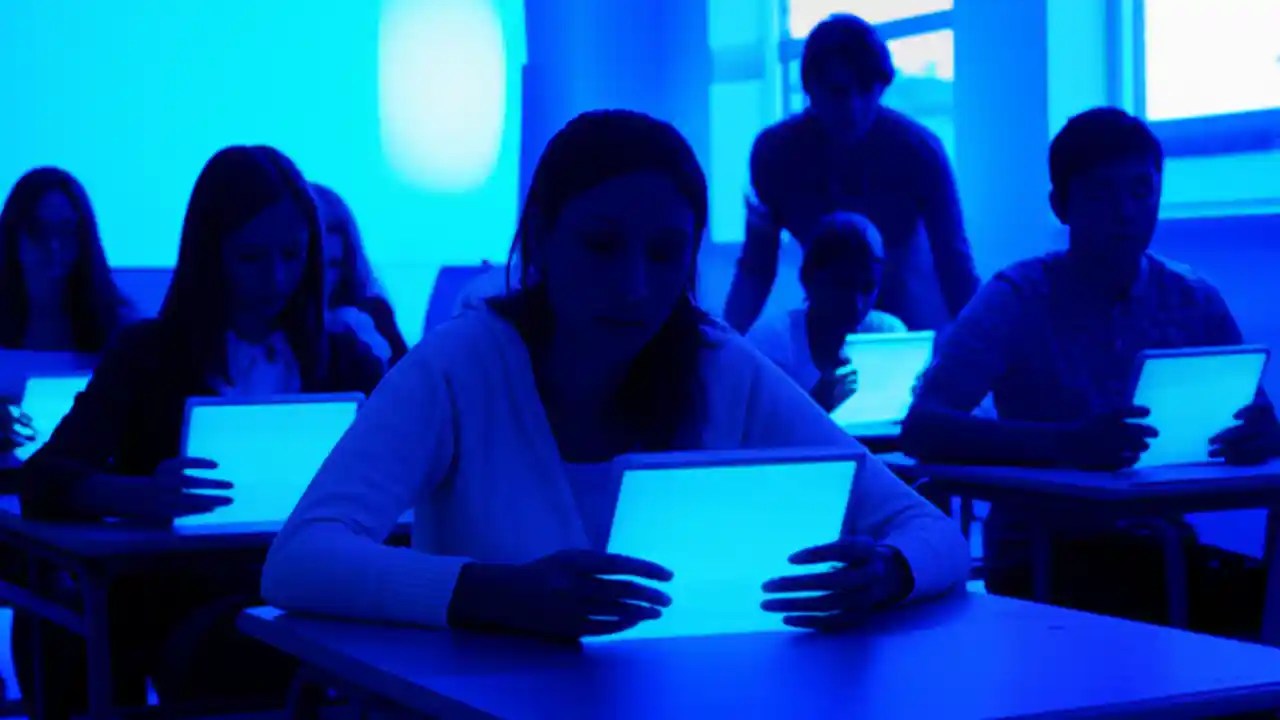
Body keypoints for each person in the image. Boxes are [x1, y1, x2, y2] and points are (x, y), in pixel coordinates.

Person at [261, 109, 969, 640]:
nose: (634, 286)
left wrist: (887, 572)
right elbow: (301, 558)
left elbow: (926, 528)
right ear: (539, 236)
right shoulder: (462, 363)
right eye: (601, 245)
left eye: (666, 254)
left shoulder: (719, 366)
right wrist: (500, 593)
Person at [15, 146, 387, 717]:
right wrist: (137, 495)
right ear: (210, 256)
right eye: (251, 257)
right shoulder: (147, 355)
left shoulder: (344, 359)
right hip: (188, 599)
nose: (277, 278)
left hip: (317, 594)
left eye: (293, 254)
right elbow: (45, 478)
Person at [901, 107, 1279, 638]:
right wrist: (1065, 444)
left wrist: (1263, 435)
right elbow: (924, 426)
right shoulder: (1016, 298)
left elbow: (1258, 420)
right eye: (1101, 194)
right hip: (1046, 557)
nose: (1125, 212)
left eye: (1141, 191)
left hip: (1162, 544)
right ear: (1062, 205)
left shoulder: (1193, 298)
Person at [724, 13, 978, 335]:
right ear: (811, 88)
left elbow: (955, 265)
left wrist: (982, 355)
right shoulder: (776, 155)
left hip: (912, 327)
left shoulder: (919, 152)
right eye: (838, 91)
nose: (853, 108)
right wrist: (723, 344)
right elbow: (757, 267)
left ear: (882, 88)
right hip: (826, 328)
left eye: (866, 89)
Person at [749, 211, 906, 411]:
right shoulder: (771, 343)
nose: (856, 304)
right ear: (809, 279)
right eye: (842, 285)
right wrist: (816, 404)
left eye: (867, 288)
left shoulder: (888, 336)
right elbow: (759, 434)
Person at [0, 166, 135, 352]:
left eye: (66, 230)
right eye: (38, 230)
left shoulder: (122, 329)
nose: (54, 246)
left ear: (84, 236)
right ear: (13, 236)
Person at [312, 183, 409, 367]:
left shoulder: (371, 314)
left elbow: (412, 387)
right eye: (314, 265)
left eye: (333, 265)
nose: (323, 279)